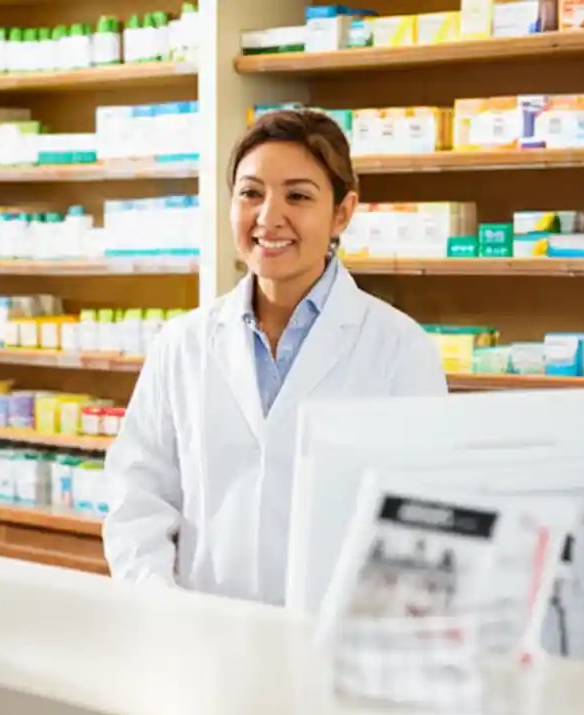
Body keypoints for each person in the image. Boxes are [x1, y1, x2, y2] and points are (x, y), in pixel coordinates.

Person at [103, 109, 447, 604]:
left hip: (329, 647)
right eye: (250, 193)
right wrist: (160, 602)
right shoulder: (182, 344)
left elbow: (422, 520)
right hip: (201, 636)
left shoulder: (398, 348)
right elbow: (137, 499)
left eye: (298, 196)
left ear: (343, 213)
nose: (268, 217)